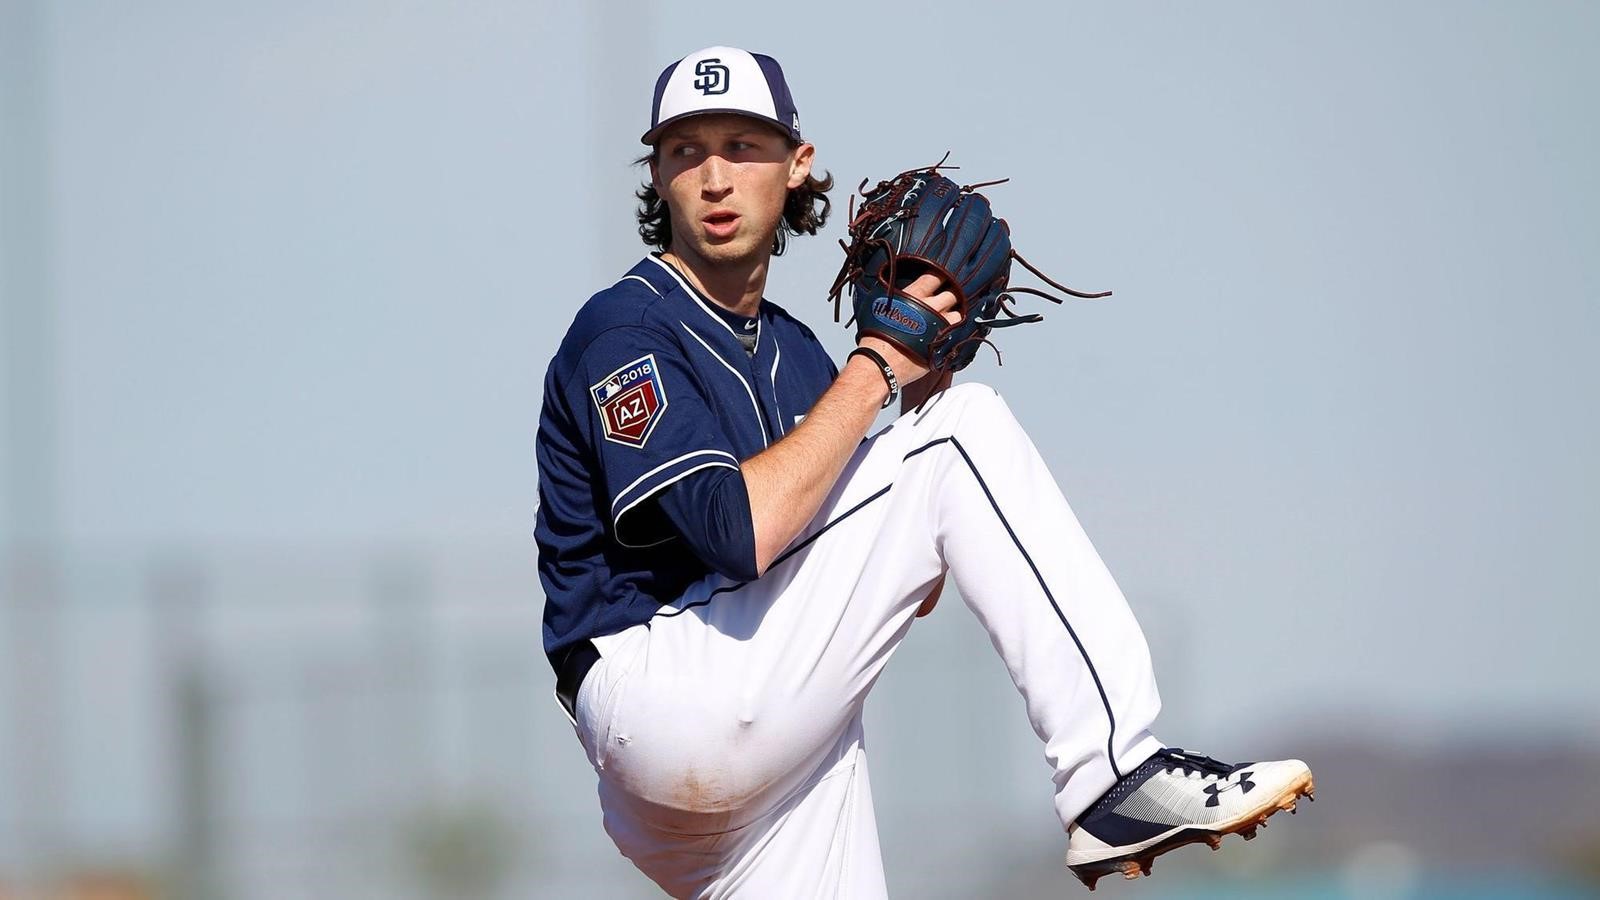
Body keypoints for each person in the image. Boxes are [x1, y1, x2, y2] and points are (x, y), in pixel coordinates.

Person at [535, 45, 1314, 898]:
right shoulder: (627, 329)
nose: (715, 177)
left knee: (946, 430)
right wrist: (880, 368)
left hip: (759, 751)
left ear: (798, 166)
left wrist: (919, 386)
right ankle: (1111, 772)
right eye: (686, 152)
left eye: (742, 146)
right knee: (964, 432)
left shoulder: (798, 357)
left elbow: (903, 572)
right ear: (657, 175)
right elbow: (739, 532)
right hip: (662, 694)